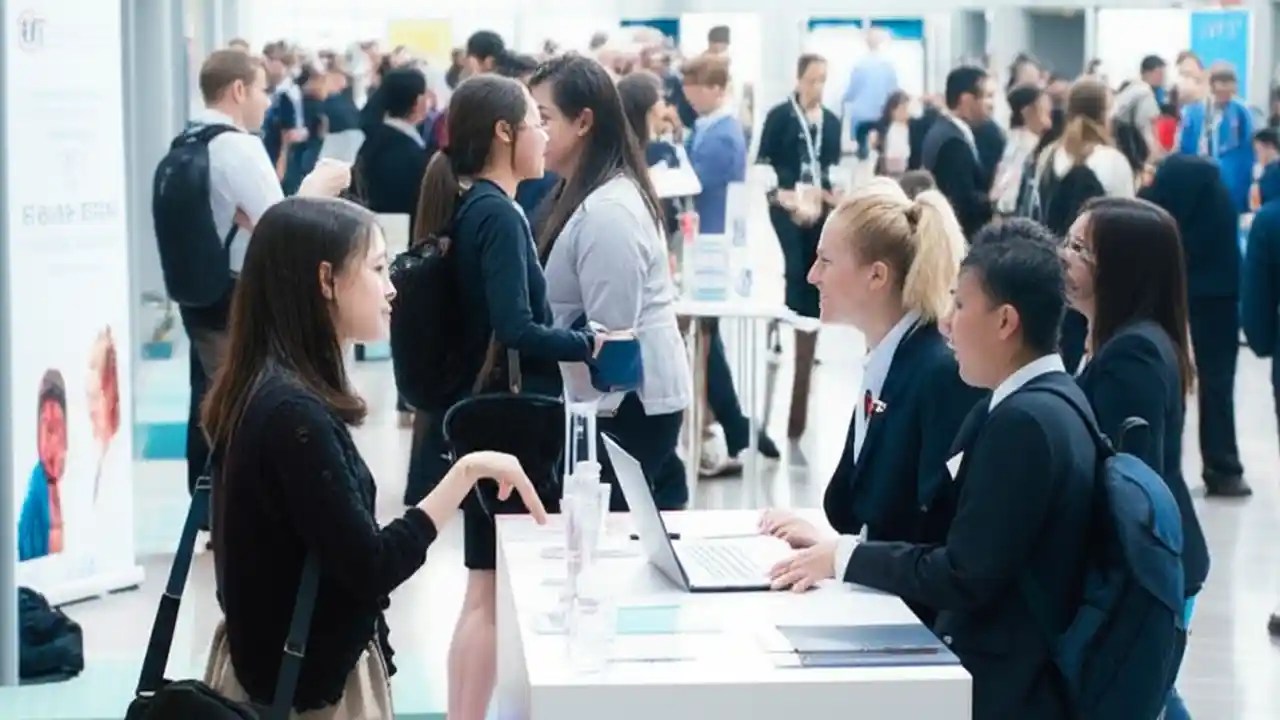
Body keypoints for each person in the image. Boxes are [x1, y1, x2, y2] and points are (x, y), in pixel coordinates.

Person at [200, 197, 547, 717]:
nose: (391, 288)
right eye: (379, 268)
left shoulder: (262, 390)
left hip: (274, 673)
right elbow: (371, 564)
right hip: (309, 691)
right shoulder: (293, 415)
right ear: (325, 280)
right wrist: (466, 471)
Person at [772, 223, 1096, 720]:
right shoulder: (1036, 404)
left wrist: (848, 558)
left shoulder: (1025, 424)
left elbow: (964, 574)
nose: (947, 323)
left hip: (997, 685)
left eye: (961, 306)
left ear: (1006, 321)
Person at [418, 74, 607, 720]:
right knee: (489, 588)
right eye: (535, 120)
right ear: (505, 133)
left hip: (488, 416)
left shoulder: (477, 207)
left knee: (485, 586)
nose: (544, 133)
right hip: (506, 422)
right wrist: (585, 344)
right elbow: (515, 327)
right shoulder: (497, 214)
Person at [757, 179, 984, 623]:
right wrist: (837, 547)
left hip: (918, 630)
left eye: (825, 261)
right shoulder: (888, 362)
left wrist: (845, 555)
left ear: (876, 275)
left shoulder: (938, 374)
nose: (811, 276)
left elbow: (937, 537)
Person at [1062, 197, 1210, 719]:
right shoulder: (1110, 340)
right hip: (1150, 560)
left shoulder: (1134, 353)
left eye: (1080, 249)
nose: (1064, 257)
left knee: (1142, 693)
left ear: (1120, 269)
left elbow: (1128, 472)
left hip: (1148, 564)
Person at [529, 54, 691, 510]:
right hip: (603, 403)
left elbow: (612, 338)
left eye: (543, 119)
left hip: (624, 407)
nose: (533, 132)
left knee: (610, 536)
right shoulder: (574, 194)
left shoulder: (608, 212)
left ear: (583, 122)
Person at [1140, 155, 1250, 496]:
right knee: (1217, 382)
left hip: (1167, 293)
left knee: (1167, 380)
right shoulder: (1219, 197)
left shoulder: (1158, 205)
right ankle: (1222, 467)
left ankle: (1164, 463)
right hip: (1217, 295)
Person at [757, 53, 842, 439]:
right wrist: (782, 195)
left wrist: (833, 192)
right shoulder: (779, 117)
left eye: (823, 80)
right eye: (812, 80)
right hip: (787, 205)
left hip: (820, 206)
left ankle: (811, 326)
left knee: (818, 264)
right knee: (793, 263)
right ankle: (790, 321)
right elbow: (762, 166)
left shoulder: (832, 122)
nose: (817, 88)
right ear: (798, 79)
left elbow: (835, 166)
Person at [921, 66, 995, 239]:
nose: (993, 105)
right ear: (967, 100)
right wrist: (993, 198)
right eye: (988, 96)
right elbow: (961, 202)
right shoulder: (953, 142)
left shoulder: (946, 130)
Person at [1179, 65, 1255, 216]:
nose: (1225, 95)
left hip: (1234, 176)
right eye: (1221, 90)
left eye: (1229, 91)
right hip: (1201, 173)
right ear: (1212, 86)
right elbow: (1187, 143)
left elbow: (1249, 145)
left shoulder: (1241, 111)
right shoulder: (1196, 111)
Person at [18, 370, 69, 562]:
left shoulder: (75, 486)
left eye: (55, 429)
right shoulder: (34, 493)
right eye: (45, 428)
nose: (49, 443)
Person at [991, 84, 1052, 216]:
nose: (1049, 122)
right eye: (1044, 112)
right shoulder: (1023, 145)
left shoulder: (1014, 139)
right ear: (1027, 112)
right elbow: (1006, 193)